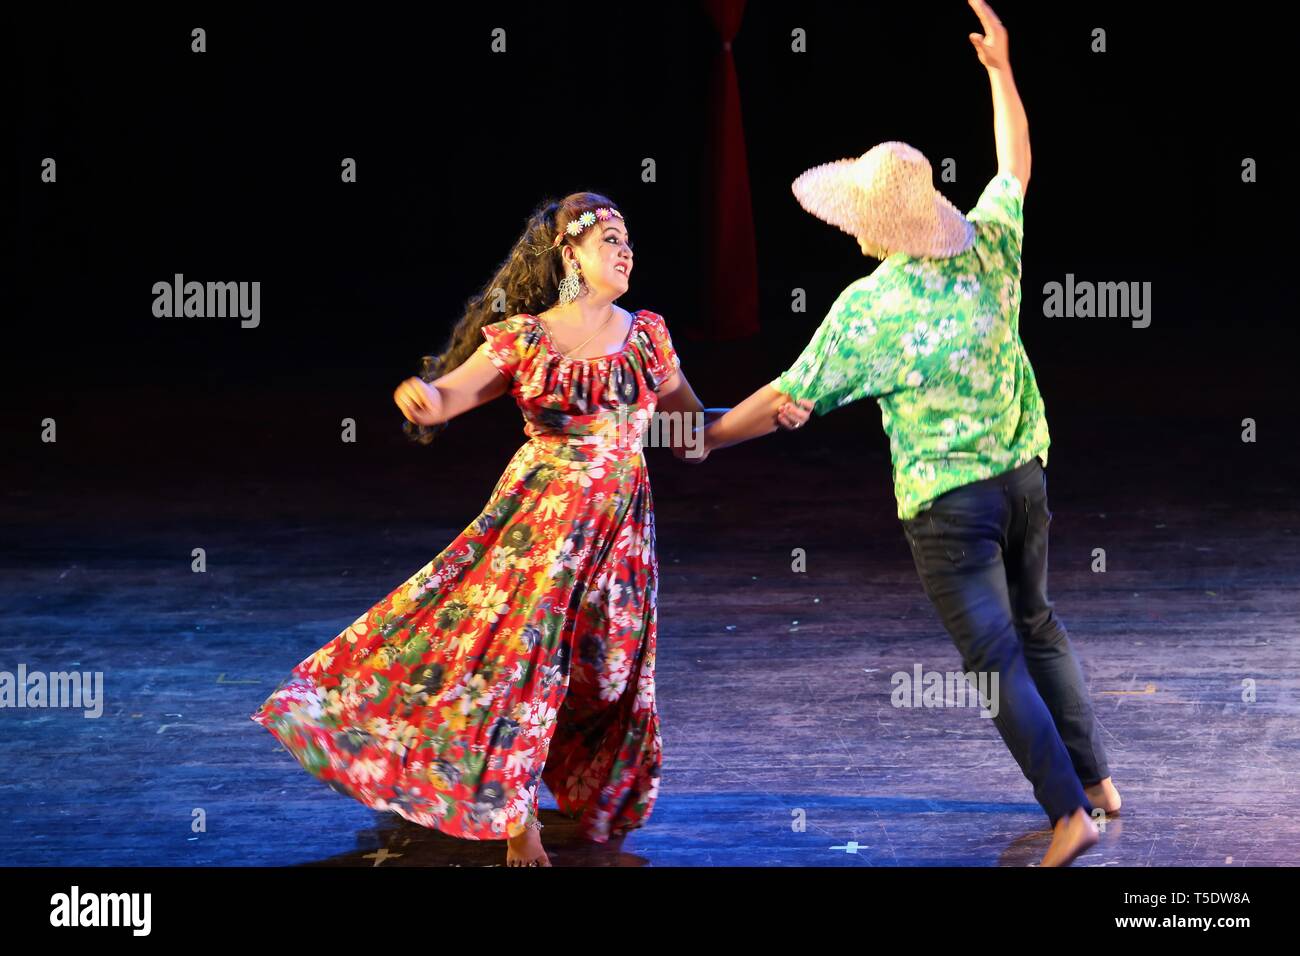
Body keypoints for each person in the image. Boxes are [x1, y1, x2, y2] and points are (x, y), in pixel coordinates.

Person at [251, 192, 811, 866]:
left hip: (618, 540)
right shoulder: (524, 338)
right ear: (568, 254)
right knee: (527, 664)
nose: (624, 248)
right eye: (608, 237)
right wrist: (424, 401)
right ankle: (517, 820)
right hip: (539, 529)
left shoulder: (647, 337)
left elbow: (692, 435)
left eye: (628, 236)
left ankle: (580, 795)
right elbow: (450, 396)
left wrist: (769, 408)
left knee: (604, 675)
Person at [684, 0, 1120, 867]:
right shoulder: (988, 247)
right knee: (1037, 622)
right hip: (1026, 478)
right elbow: (1016, 165)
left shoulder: (868, 310)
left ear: (867, 230)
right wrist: (1000, 70)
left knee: (997, 654)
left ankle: (1072, 812)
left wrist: (701, 436)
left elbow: (783, 399)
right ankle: (1098, 780)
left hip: (949, 509)